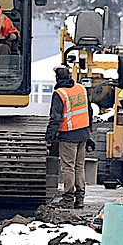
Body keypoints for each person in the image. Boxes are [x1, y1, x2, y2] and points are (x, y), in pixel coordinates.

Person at [45, 66, 91, 208]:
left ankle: (68, 199)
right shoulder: (81, 89)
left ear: (57, 78)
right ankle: (80, 198)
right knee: (79, 166)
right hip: (83, 133)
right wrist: (89, 133)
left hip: (68, 135)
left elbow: (55, 118)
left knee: (68, 167)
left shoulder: (60, 93)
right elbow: (89, 111)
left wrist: (49, 137)